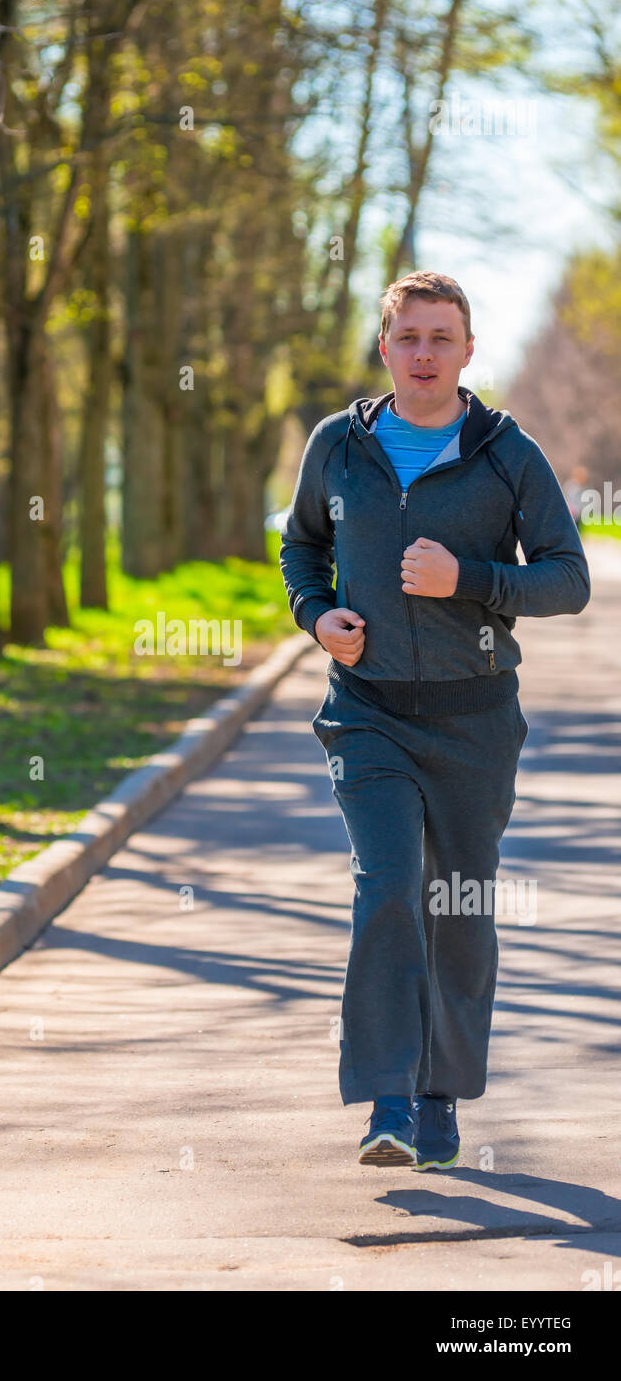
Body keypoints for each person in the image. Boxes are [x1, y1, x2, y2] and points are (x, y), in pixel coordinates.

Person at [279, 271, 590, 1169]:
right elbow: (303, 545)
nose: (423, 353)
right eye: (407, 337)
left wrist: (472, 581)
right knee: (385, 890)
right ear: (384, 348)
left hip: (473, 722)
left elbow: (565, 578)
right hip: (367, 713)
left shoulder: (506, 454)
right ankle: (387, 1102)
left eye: (440, 338)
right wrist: (315, 614)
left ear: (465, 351)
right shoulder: (338, 446)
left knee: (456, 906)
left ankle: (439, 1096)